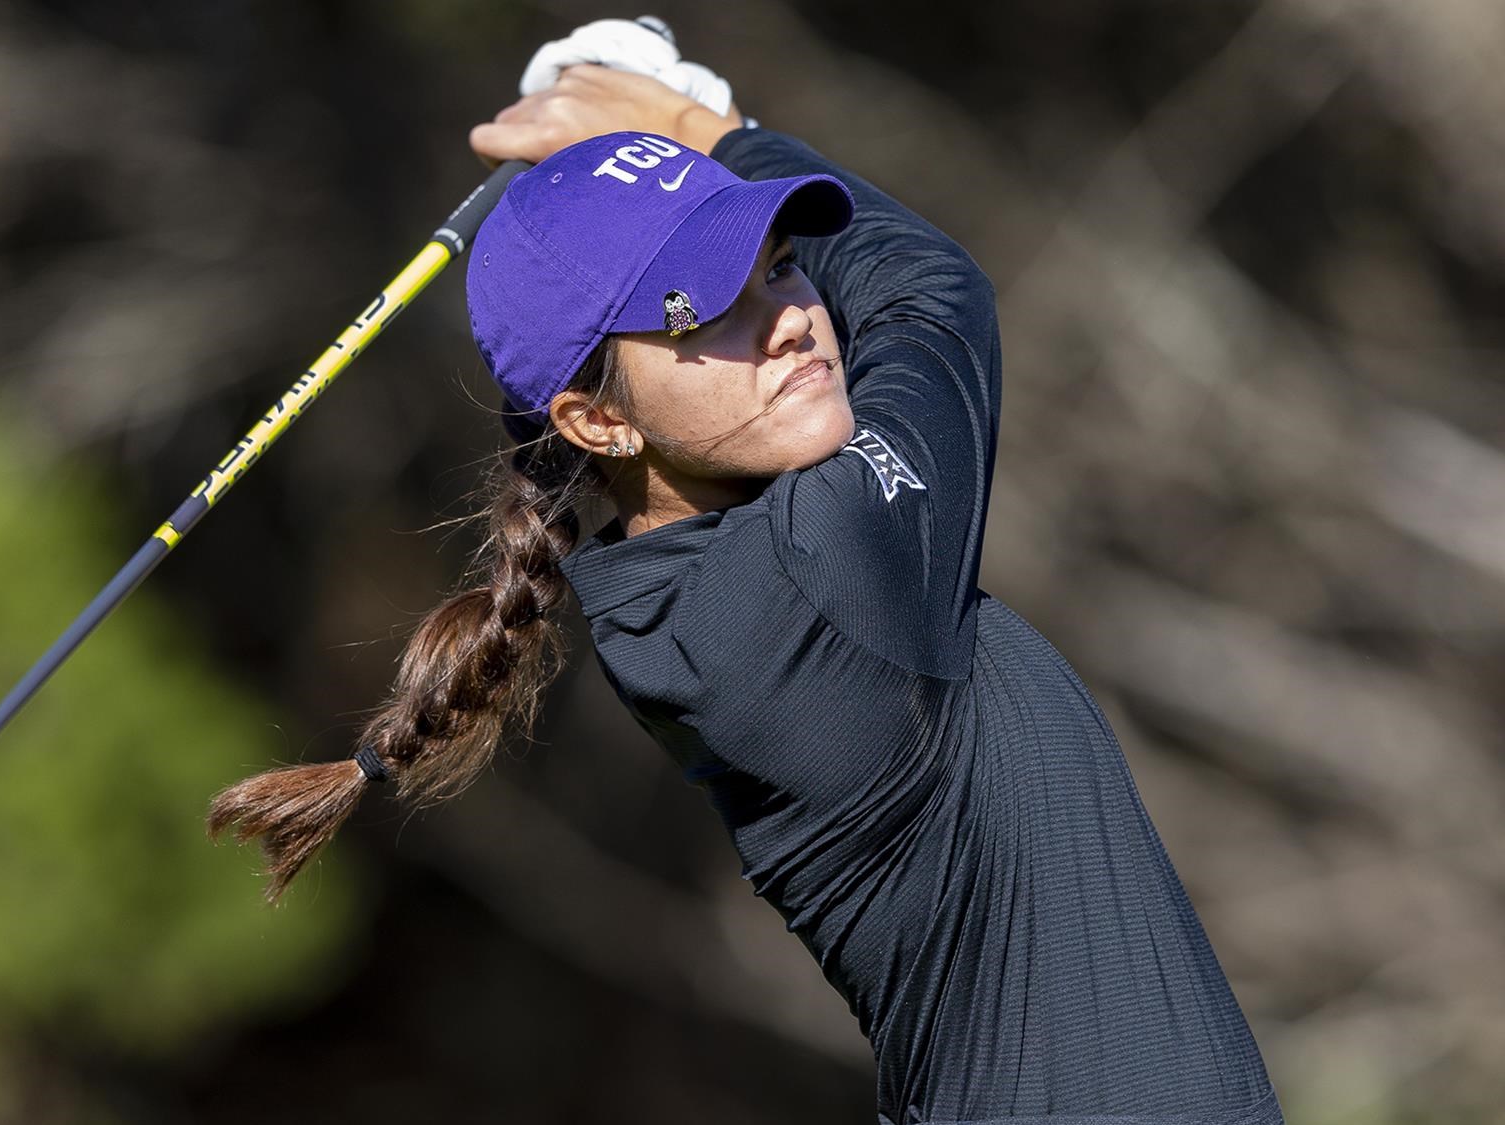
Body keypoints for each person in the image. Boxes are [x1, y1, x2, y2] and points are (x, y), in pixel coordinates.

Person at [211, 21, 1284, 1125]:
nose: (787, 324)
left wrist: (681, 149)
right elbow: (929, 294)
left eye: (776, 266)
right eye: (703, 313)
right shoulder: (820, 579)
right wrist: (698, 124)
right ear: (595, 421)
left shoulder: (675, 579)